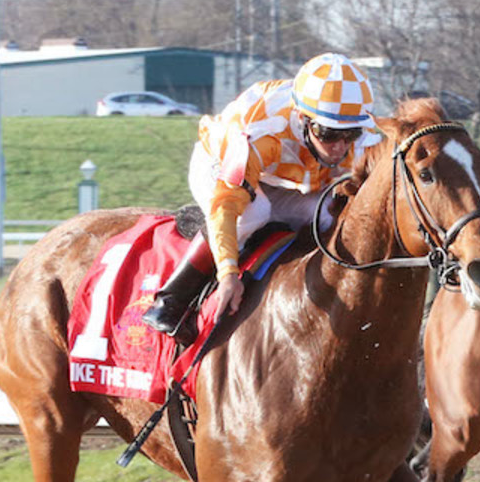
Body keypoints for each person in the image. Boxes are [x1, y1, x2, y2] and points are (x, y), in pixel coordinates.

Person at [142, 52, 380, 339]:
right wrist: (228, 274)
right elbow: (226, 205)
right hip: (219, 164)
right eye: (328, 134)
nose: (339, 147)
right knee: (254, 212)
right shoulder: (264, 134)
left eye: (350, 135)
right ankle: (171, 299)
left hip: (281, 177)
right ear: (304, 119)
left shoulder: (364, 138)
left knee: (330, 212)